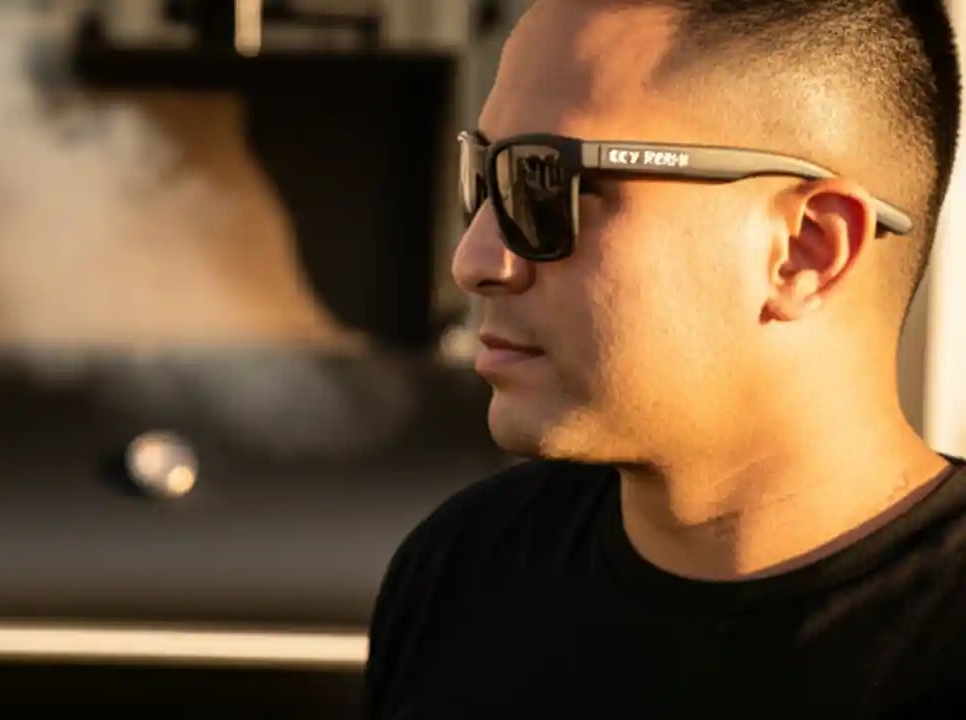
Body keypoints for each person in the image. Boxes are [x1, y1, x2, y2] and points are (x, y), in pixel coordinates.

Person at [363, 0, 966, 716]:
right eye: (482, 175)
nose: (477, 261)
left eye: (543, 183)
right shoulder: (463, 572)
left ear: (805, 251)